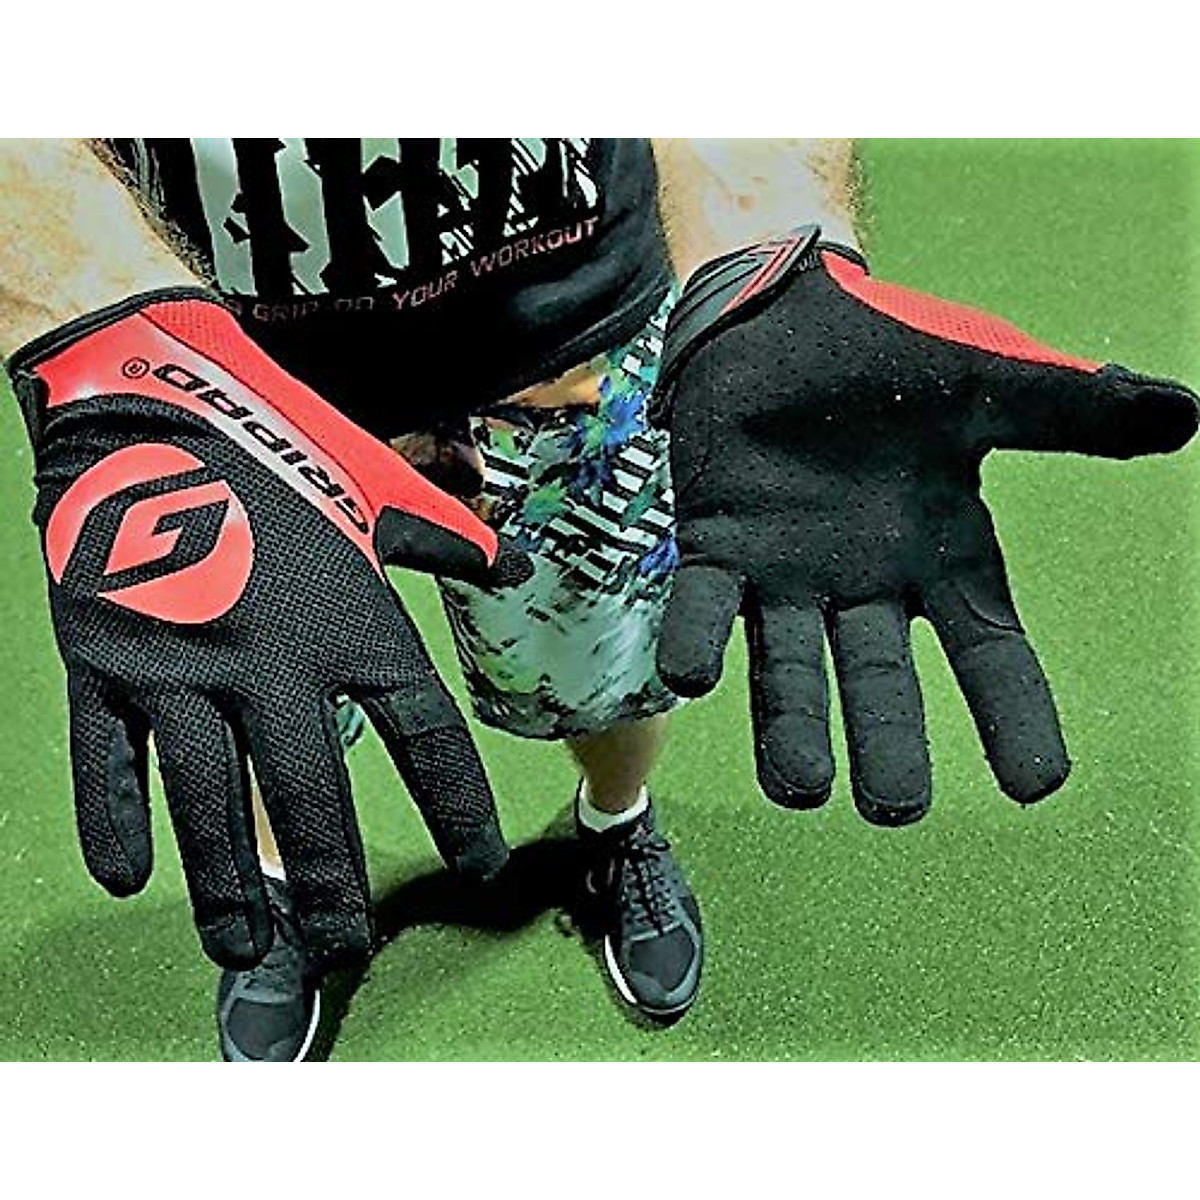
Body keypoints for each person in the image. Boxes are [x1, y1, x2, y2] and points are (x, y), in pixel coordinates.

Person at [2, 139, 1194, 1063]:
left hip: (566, 351)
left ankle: (615, 828)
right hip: (227, 372)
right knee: (261, 691)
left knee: (610, 662)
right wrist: (101, 323)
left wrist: (760, 244)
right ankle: (285, 895)